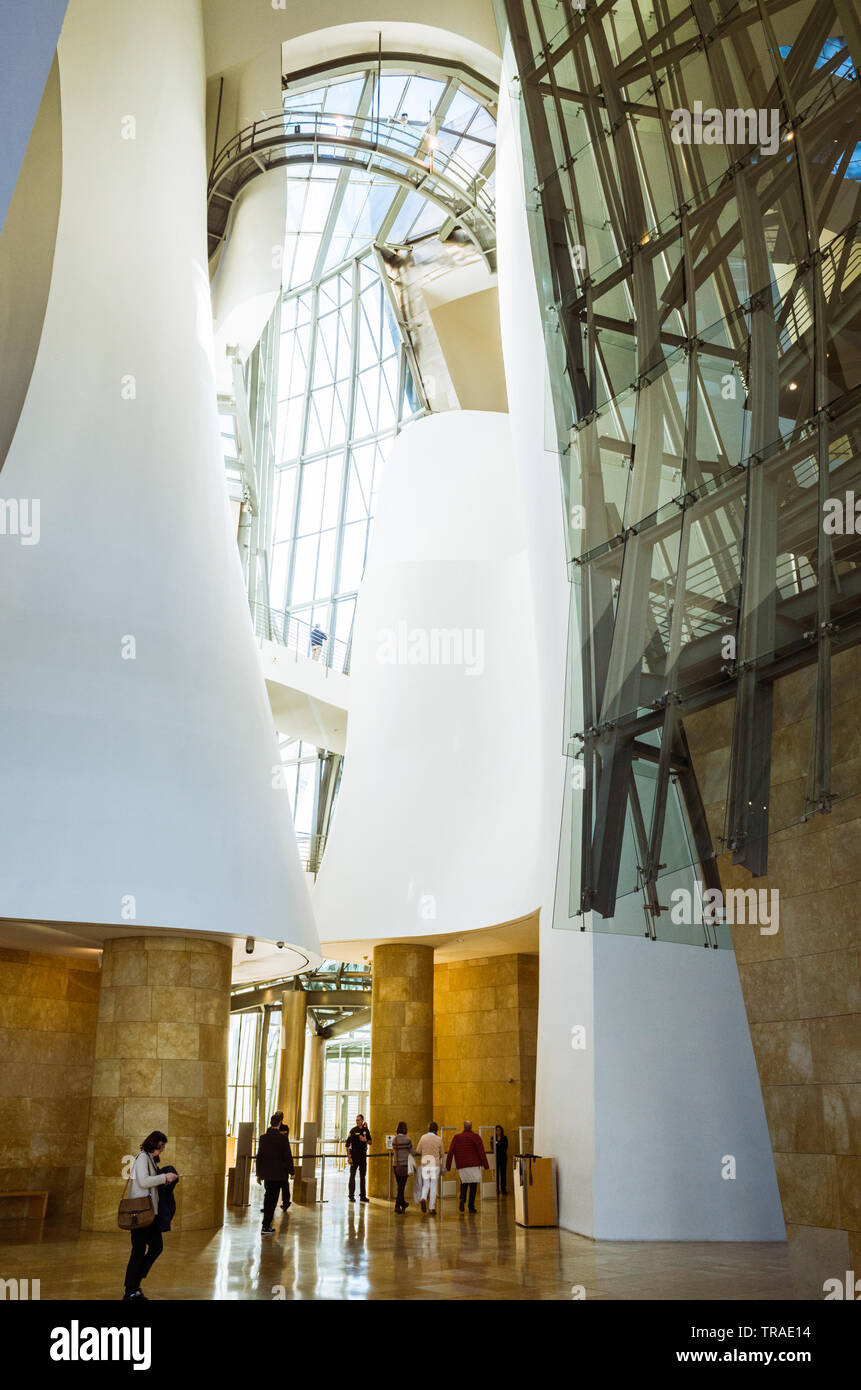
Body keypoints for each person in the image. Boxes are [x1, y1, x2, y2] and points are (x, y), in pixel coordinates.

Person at [123, 1131, 178, 1301]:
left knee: (156, 1247)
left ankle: (135, 1284)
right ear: (154, 1143)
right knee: (138, 1252)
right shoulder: (142, 1158)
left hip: (150, 1214)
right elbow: (143, 1182)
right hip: (140, 1214)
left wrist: (165, 1178)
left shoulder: (150, 1159)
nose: (162, 1150)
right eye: (161, 1146)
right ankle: (130, 1291)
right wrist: (164, 1177)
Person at [257, 1112, 294, 1234]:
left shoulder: (263, 1138)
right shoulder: (283, 1138)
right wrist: (292, 1172)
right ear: (279, 1123)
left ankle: (265, 1224)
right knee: (272, 1200)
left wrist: (259, 1174)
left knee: (268, 1197)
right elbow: (287, 1156)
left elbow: (259, 1157)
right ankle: (266, 1226)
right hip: (279, 1174)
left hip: (267, 1174)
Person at [445, 1120, 488, 1213]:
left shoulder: (457, 1137)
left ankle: (462, 1199)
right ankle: (471, 1206)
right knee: (473, 1185)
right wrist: (486, 1165)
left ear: (464, 1127)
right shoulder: (476, 1137)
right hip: (474, 1164)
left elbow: (450, 1151)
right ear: (471, 1127)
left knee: (464, 1183)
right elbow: (481, 1151)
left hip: (462, 1165)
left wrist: (448, 1166)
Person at [415, 1121, 444, 1216]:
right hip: (435, 1164)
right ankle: (432, 1208)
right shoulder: (439, 1139)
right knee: (433, 1185)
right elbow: (442, 1154)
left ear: (429, 1128)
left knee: (426, 1183)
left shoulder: (423, 1137)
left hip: (425, 1163)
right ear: (436, 1129)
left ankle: (423, 1197)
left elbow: (418, 1150)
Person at [346, 1114, 371, 1203]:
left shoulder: (366, 1130)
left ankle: (363, 1196)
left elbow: (370, 1142)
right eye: (356, 1120)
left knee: (362, 1177)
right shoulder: (353, 1131)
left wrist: (365, 1140)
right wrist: (349, 1157)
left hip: (363, 1157)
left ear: (362, 1120)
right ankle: (351, 1195)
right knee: (352, 1176)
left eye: (359, 1120)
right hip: (354, 1157)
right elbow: (347, 1145)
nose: (357, 1122)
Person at [391, 1121, 413, 1214]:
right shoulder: (408, 1140)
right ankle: (397, 1205)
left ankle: (403, 1203)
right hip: (404, 1166)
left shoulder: (394, 1140)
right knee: (401, 1187)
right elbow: (411, 1151)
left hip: (396, 1165)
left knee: (400, 1186)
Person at [494, 1125, 509, 1197]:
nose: (498, 1131)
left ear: (501, 1131)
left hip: (503, 1158)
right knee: (496, 1175)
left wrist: (499, 1144)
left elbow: (505, 1147)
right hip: (496, 1159)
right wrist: (499, 1145)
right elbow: (493, 1148)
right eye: (497, 1130)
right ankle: (497, 1189)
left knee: (503, 1174)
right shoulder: (493, 1138)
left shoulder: (504, 1138)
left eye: (499, 1130)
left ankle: (503, 1189)